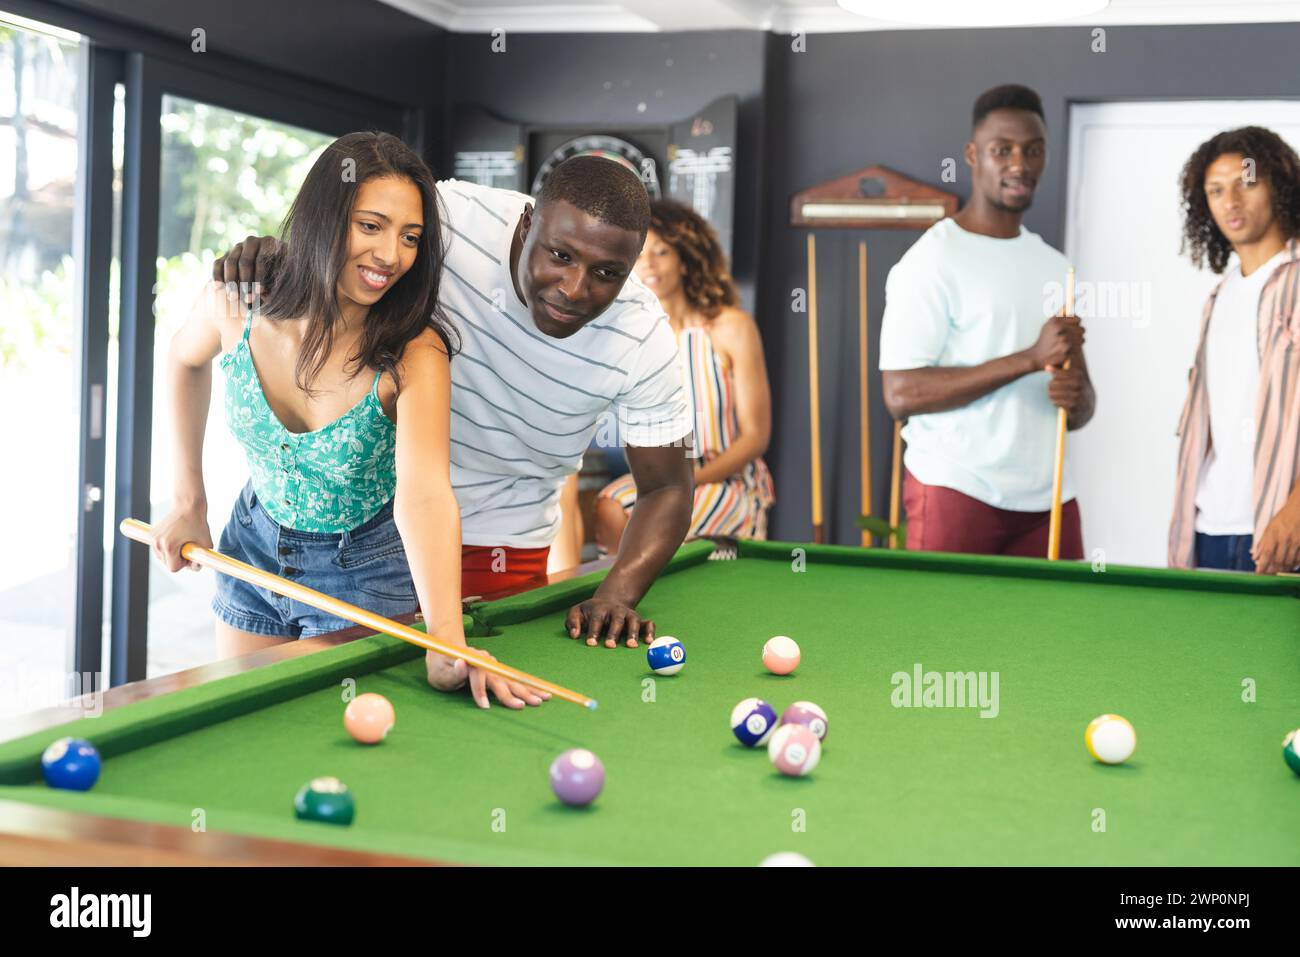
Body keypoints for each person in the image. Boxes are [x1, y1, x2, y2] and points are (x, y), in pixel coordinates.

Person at [217, 155, 695, 648]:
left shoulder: (643, 337)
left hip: (501, 547)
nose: (575, 289)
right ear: (528, 222)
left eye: (607, 273)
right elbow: (350, 238)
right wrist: (280, 256)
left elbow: (667, 490)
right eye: (560, 255)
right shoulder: (447, 217)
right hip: (367, 525)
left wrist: (618, 593)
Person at [155, 132, 546, 710]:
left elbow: (426, 496)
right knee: (248, 726)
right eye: (371, 226)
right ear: (323, 217)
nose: (391, 255)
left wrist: (446, 640)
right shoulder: (236, 305)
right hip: (251, 549)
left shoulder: (415, 351)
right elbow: (183, 361)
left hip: (364, 571)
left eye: (410, 237)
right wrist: (190, 501)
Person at [879, 84, 1095, 558]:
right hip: (958, 489)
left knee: (1061, 632)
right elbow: (899, 394)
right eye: (1003, 150)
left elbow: (1080, 403)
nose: (1020, 164)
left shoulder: (1056, 265)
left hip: (1050, 497)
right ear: (973, 155)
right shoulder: (932, 259)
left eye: (1033, 150)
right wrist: (1028, 359)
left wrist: (1076, 396)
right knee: (942, 632)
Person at [594, 199, 773, 551]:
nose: (649, 265)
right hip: (659, 477)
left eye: (662, 252)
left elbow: (755, 437)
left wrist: (691, 480)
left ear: (686, 259)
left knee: (663, 522)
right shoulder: (633, 336)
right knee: (611, 506)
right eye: (641, 253)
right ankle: (617, 601)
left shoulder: (730, 327)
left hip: (726, 480)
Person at [1169, 126, 1300, 573]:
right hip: (1210, 528)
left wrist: (1296, 511)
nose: (1231, 201)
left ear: (1279, 184)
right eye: (1216, 190)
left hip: (1280, 528)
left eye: (1247, 182)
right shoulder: (1217, 299)